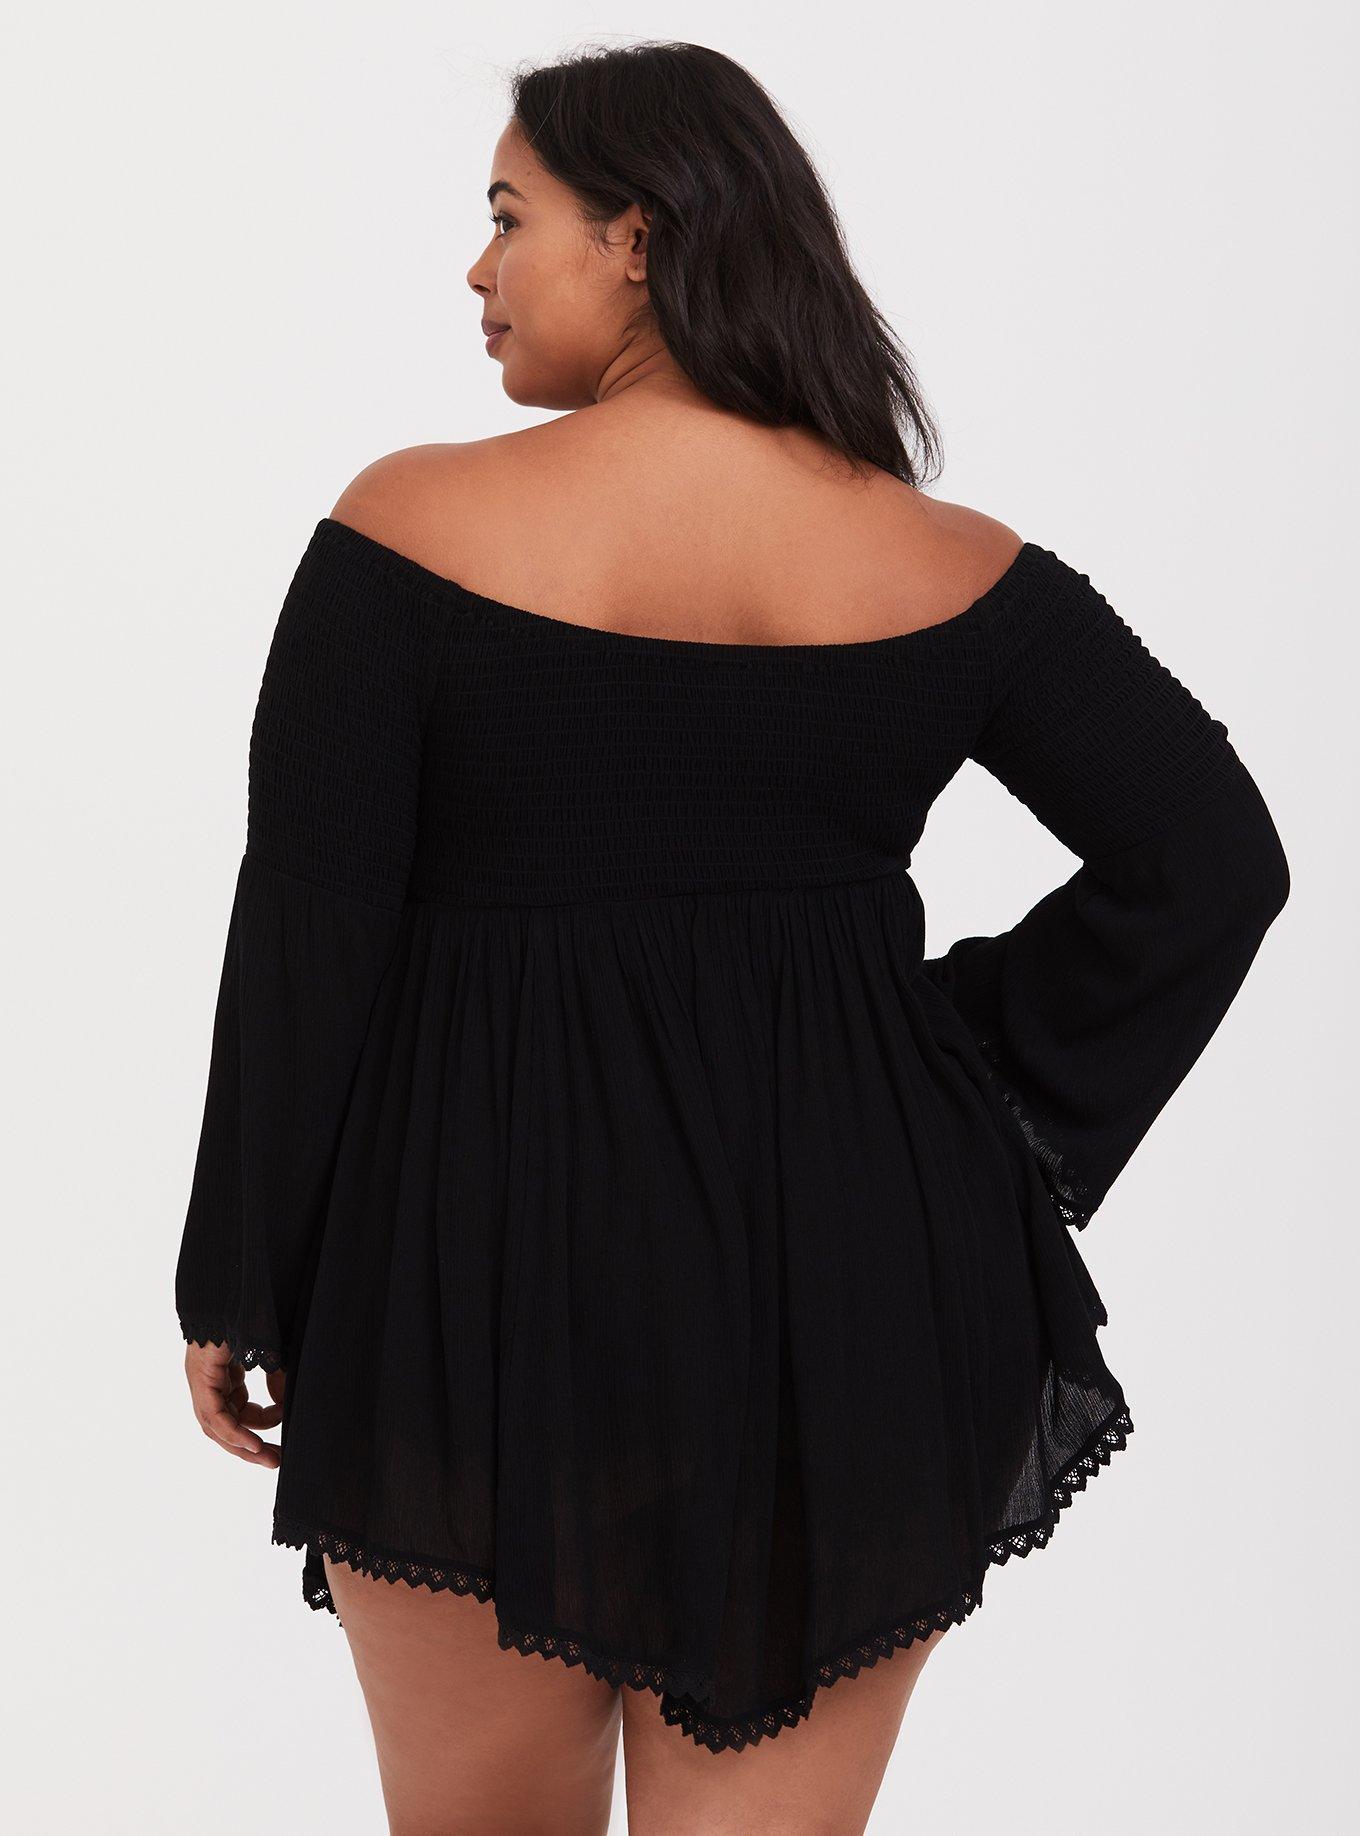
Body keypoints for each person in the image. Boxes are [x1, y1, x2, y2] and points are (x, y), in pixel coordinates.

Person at [173, 40, 1290, 1836]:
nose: (477, 267)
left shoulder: (406, 531)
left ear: (636, 237)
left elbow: (310, 934)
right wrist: (951, 1089)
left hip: (472, 1268)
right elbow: (1215, 861)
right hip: (850, 1279)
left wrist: (242, 1274)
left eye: (508, 216)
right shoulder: (949, 562)